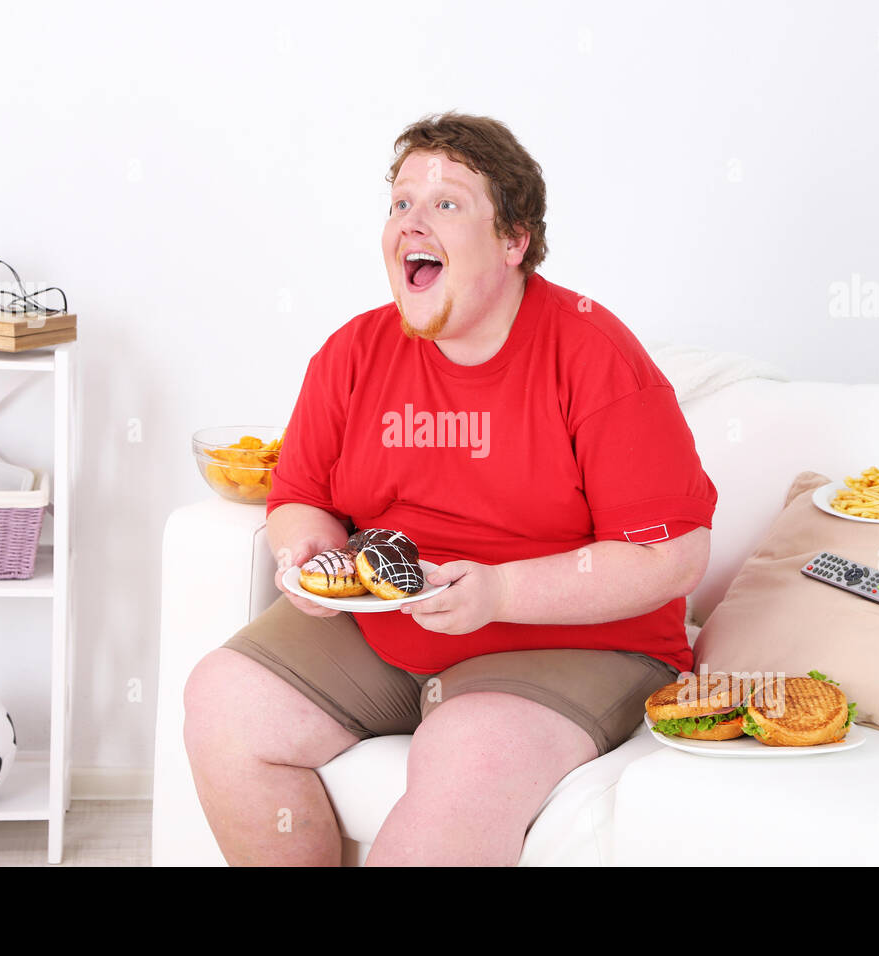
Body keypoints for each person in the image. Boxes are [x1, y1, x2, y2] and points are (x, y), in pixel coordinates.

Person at [183, 111, 717, 866]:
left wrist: (498, 595)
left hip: (570, 639)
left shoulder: (595, 355)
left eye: (446, 204)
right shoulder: (352, 353)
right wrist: (309, 553)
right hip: (386, 626)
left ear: (513, 241)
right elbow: (300, 495)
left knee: (464, 767)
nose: (411, 223)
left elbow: (672, 558)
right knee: (222, 702)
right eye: (401, 203)